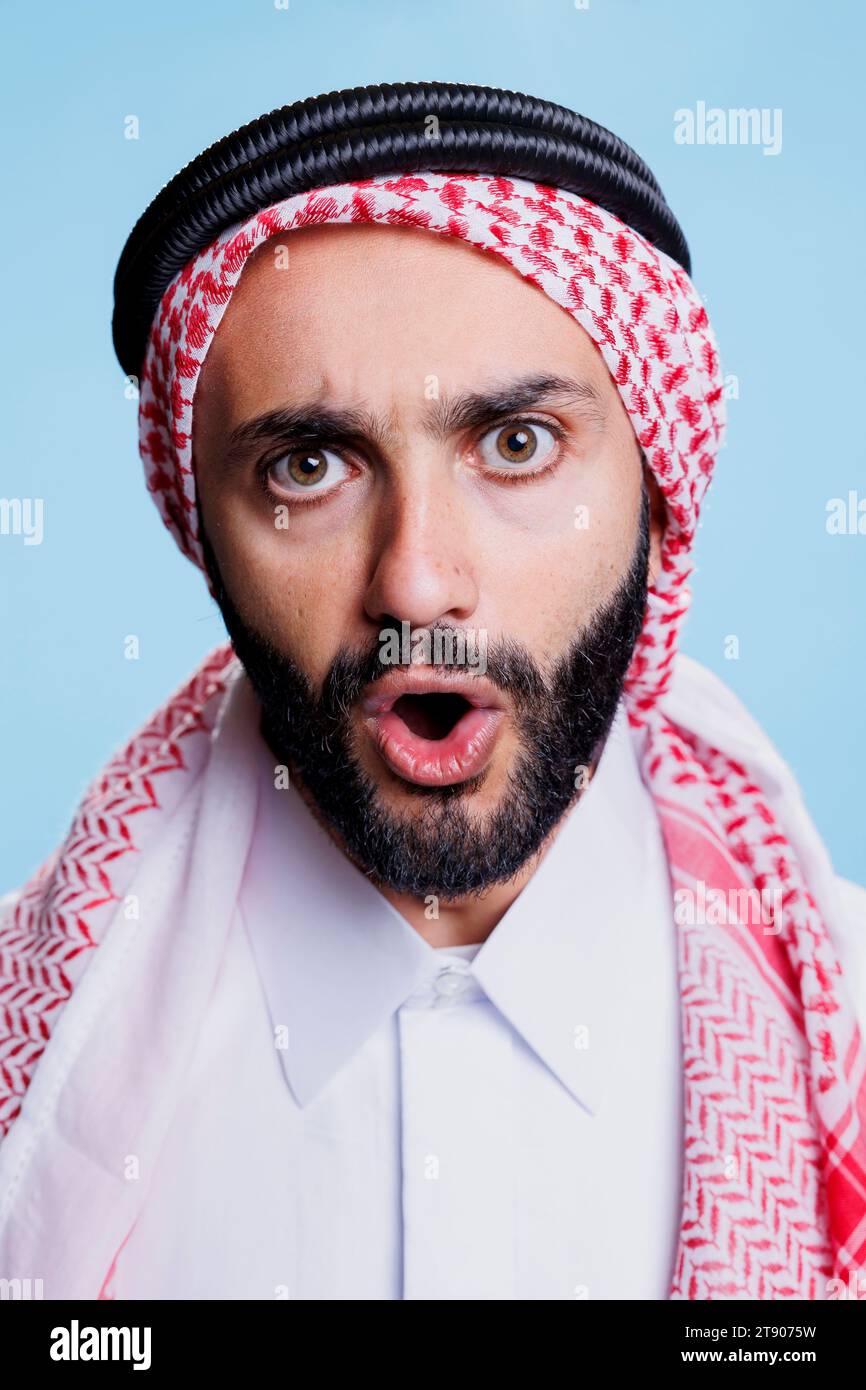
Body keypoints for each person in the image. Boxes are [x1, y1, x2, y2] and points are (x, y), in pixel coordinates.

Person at [1, 81, 864, 1301]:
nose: (416, 583)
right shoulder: (29, 1071)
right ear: (206, 532)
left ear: (657, 498)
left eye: (515, 445)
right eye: (309, 466)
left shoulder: (847, 1020)